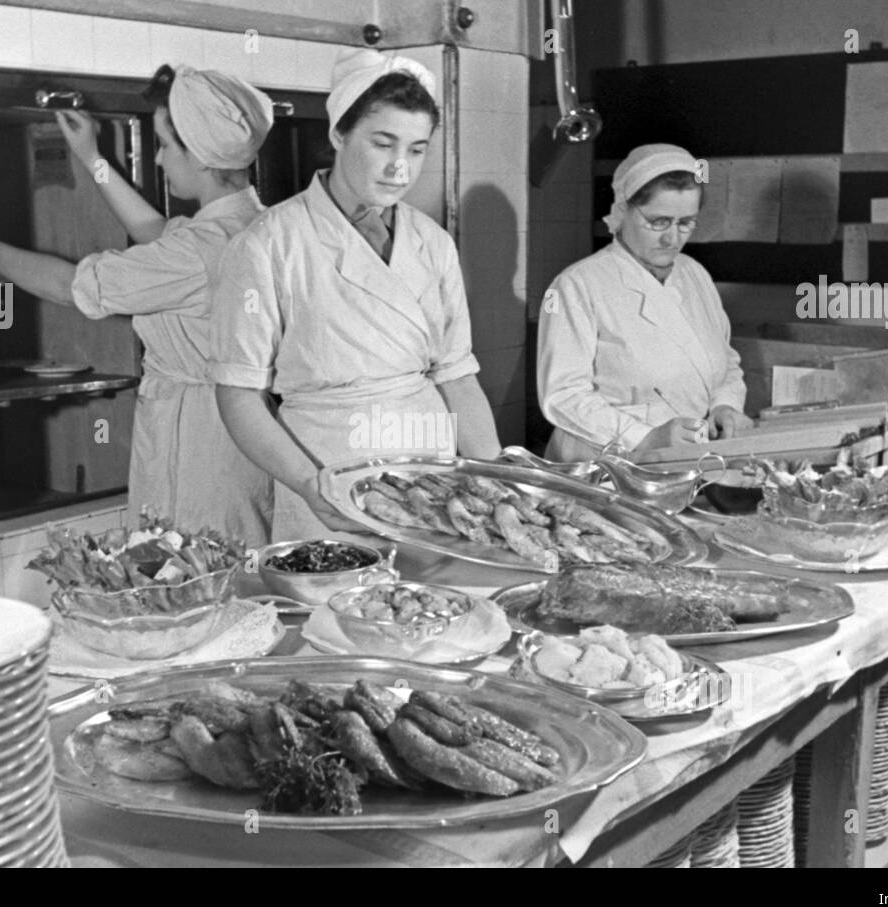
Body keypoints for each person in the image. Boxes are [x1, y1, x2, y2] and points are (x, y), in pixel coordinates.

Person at [0, 65, 274, 544]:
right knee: (234, 558)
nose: (158, 160)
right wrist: (90, 157)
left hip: (196, 439)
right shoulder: (257, 224)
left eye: (166, 146)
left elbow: (71, 286)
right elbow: (156, 235)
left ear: (203, 157)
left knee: (190, 570)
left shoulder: (197, 251)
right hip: (246, 432)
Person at [209, 49, 501, 539]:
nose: (400, 169)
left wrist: (496, 481)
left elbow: (457, 376)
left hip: (432, 472)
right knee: (336, 609)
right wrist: (310, 485)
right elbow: (238, 395)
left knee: (434, 608)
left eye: (416, 149)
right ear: (339, 134)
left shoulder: (432, 243)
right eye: (383, 144)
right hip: (330, 470)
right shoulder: (269, 243)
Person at [536, 143, 754, 462]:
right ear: (623, 210)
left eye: (685, 223)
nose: (672, 239)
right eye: (658, 221)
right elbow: (562, 395)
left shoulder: (695, 275)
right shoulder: (578, 285)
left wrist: (726, 405)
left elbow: (726, 364)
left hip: (685, 459)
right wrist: (642, 436)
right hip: (607, 464)